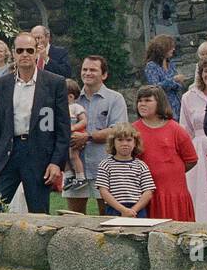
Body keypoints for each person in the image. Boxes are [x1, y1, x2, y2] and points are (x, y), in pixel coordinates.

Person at [0, 31, 70, 215]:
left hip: (39, 154)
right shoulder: (2, 84)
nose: (25, 55)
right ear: (13, 53)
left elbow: (63, 128)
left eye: (29, 50)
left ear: (37, 52)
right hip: (9, 153)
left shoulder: (55, 83)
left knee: (39, 213)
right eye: (20, 50)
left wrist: (56, 162)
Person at [68, 55, 129, 215]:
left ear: (104, 75)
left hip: (104, 166)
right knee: (74, 219)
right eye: (84, 69)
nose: (87, 73)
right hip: (75, 167)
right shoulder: (70, 99)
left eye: (93, 70)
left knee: (107, 216)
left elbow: (118, 130)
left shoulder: (115, 99)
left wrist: (87, 137)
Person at [134, 85, 197, 221]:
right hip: (145, 193)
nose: (142, 104)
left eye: (147, 100)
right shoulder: (133, 131)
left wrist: (173, 171)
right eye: (140, 100)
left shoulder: (175, 129)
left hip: (173, 193)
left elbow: (191, 159)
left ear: (160, 103)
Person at [178, 55, 207, 222]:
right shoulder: (189, 96)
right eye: (206, 71)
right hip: (198, 149)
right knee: (199, 190)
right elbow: (185, 129)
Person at [95, 125, 155, 218]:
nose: (124, 143)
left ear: (135, 143)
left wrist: (133, 210)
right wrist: (123, 210)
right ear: (113, 142)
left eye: (129, 140)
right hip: (114, 208)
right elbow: (104, 191)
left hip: (137, 210)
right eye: (120, 140)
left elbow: (148, 191)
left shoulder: (141, 165)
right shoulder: (105, 165)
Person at [143, 34, 187, 121]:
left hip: (177, 106)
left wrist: (177, 82)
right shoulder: (151, 66)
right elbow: (155, 87)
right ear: (163, 48)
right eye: (171, 47)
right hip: (163, 106)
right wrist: (173, 80)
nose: (173, 49)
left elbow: (178, 86)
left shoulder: (171, 64)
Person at [62, 80, 88, 189]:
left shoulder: (76, 107)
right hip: (64, 136)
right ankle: (69, 176)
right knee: (62, 155)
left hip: (75, 135)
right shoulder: (60, 107)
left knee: (73, 155)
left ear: (71, 96)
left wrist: (74, 127)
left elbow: (84, 121)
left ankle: (80, 177)